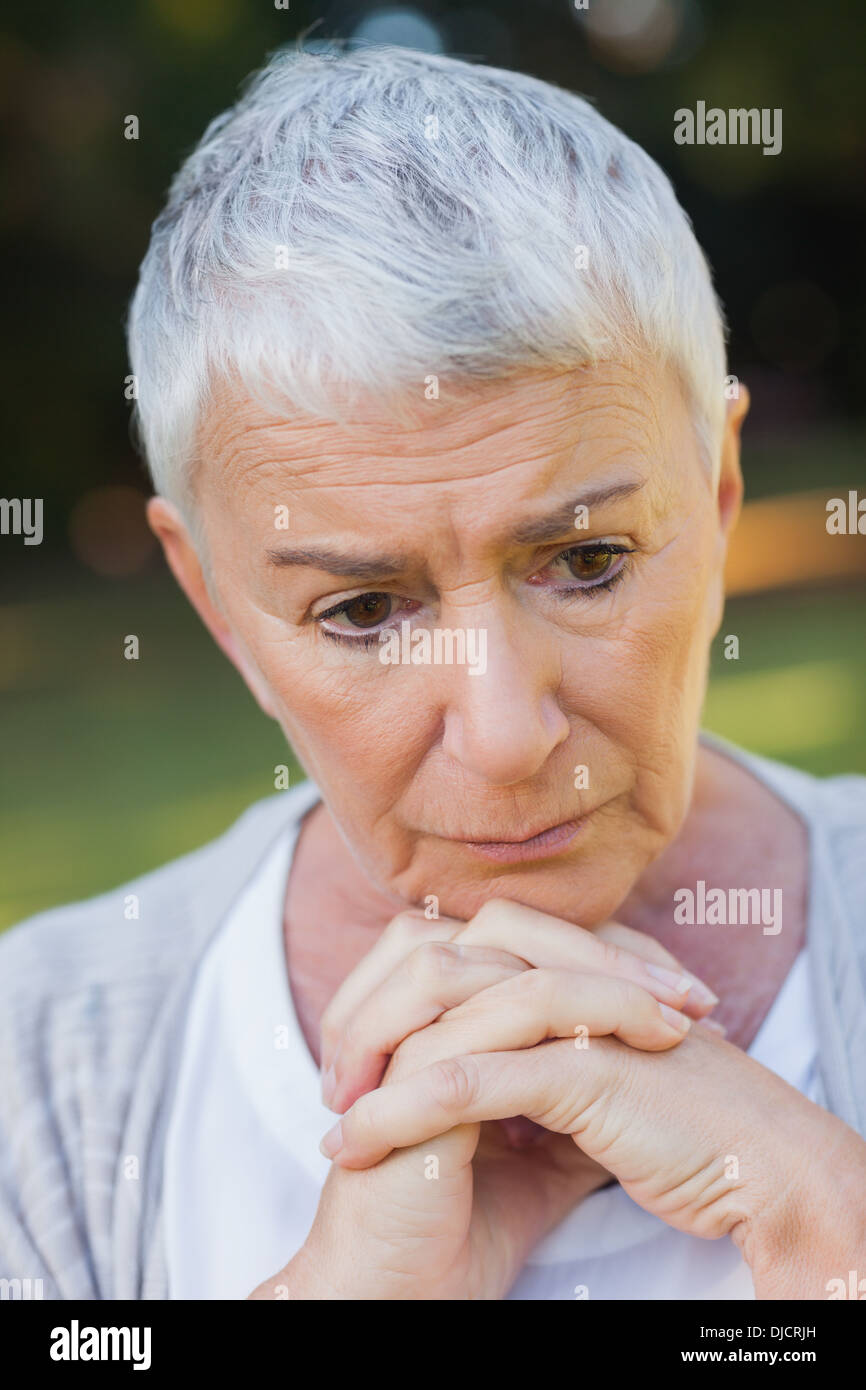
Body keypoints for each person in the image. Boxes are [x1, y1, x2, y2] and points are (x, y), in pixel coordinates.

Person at [2, 43, 865, 1302]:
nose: (509, 735)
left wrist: (821, 1222)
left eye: (585, 558)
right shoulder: (40, 1077)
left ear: (719, 498)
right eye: (360, 607)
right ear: (220, 609)